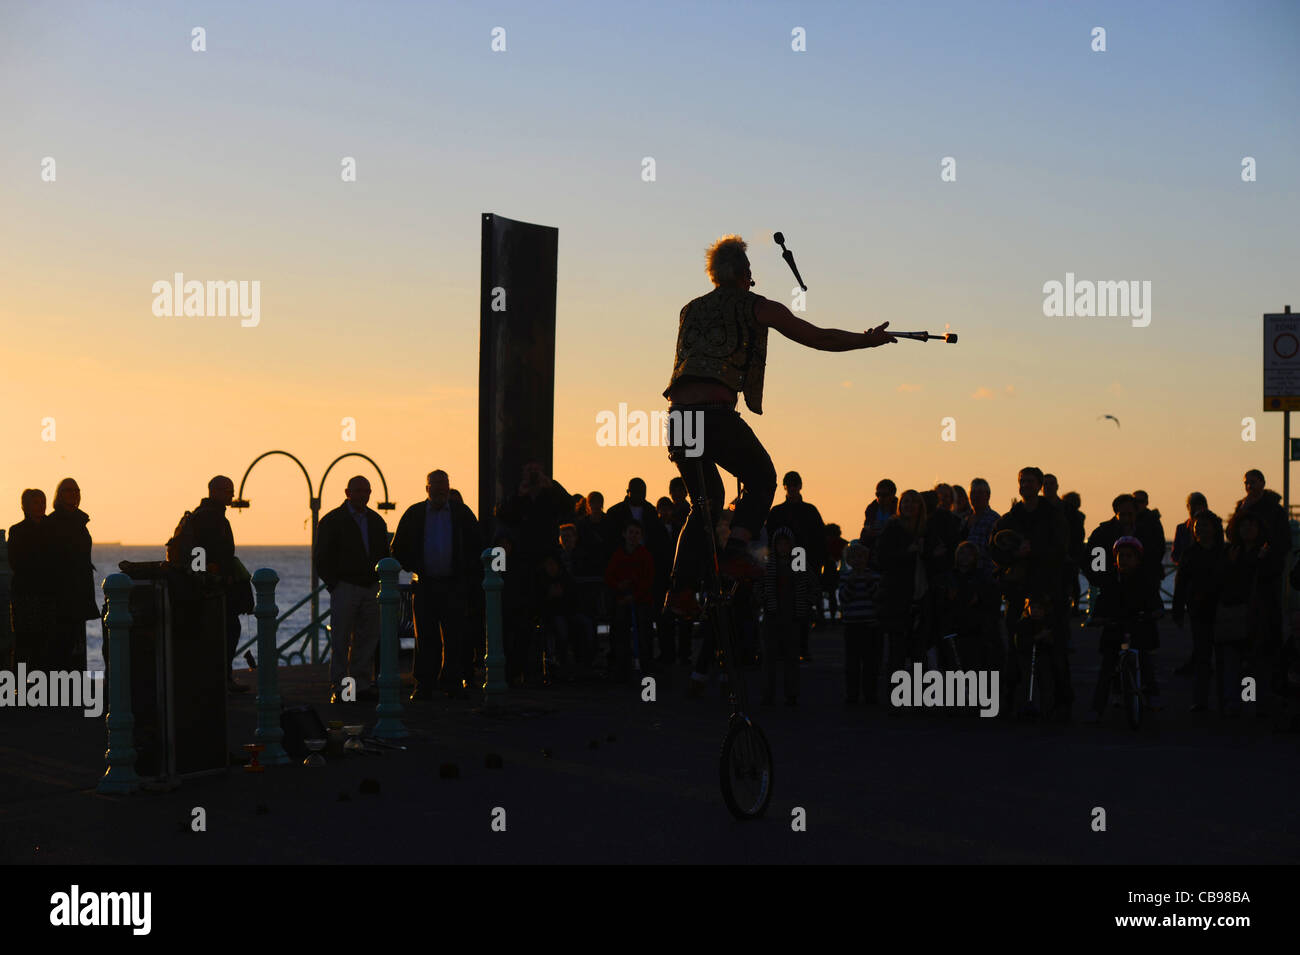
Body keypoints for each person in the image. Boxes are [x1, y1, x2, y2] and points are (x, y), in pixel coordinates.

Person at [663, 234, 896, 618]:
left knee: (704, 504)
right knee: (762, 477)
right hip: (714, 416)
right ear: (744, 274)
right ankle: (737, 553)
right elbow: (819, 338)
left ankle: (680, 592)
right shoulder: (756, 306)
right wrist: (866, 341)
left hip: (679, 419)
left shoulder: (689, 310)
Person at [392, 470, 482, 699]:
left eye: (445, 484)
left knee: (455, 636)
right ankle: (424, 685)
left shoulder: (462, 513)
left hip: (454, 585)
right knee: (425, 637)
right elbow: (397, 547)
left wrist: (466, 574)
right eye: (437, 484)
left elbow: (478, 544)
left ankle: (451, 683)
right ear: (427, 488)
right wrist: (415, 567)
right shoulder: (415, 513)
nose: (442, 489)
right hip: (425, 585)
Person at [316, 476, 390, 704]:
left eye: (365, 491)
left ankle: (361, 686)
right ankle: (341, 689)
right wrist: (334, 584)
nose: (362, 495)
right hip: (346, 586)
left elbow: (384, 553)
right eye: (357, 491)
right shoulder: (332, 521)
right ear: (348, 492)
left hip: (370, 587)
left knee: (367, 638)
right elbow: (322, 556)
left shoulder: (376, 521)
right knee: (341, 639)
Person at [1226, 469, 1290, 716]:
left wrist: (1269, 559)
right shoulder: (1242, 506)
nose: (1249, 486)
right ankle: (1246, 696)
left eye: (1253, 482)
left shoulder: (1274, 509)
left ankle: (1265, 693)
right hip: (1243, 582)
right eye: (1246, 483)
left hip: (1266, 580)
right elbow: (1232, 534)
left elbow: (1282, 542)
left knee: (1265, 639)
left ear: (1263, 483)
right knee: (1242, 642)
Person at [1085, 536, 1163, 723]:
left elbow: (1155, 603)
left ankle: (1152, 695)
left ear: (1138, 559)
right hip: (1114, 629)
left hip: (1139, 627)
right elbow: (1102, 602)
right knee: (1106, 669)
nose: (1125, 560)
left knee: (1144, 659)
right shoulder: (1111, 581)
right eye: (1121, 555)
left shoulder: (1145, 581)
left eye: (1129, 556)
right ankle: (1097, 709)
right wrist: (1096, 618)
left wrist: (1155, 612)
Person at [765, 471, 826, 658]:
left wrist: (816, 565)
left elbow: (819, 540)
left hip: (802, 562)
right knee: (782, 607)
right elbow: (769, 539)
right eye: (789, 484)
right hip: (783, 563)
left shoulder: (807, 511)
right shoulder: (778, 512)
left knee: (801, 608)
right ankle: (788, 649)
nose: (792, 488)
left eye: (794, 484)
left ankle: (801, 648)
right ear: (785, 487)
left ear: (799, 486)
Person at [876, 489, 932, 679]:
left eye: (913, 502)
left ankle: (918, 700)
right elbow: (880, 559)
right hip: (897, 598)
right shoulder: (892, 528)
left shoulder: (926, 529)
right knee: (897, 653)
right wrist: (907, 553)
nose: (908, 505)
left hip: (921, 596)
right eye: (905, 502)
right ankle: (896, 700)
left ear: (920, 506)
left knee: (919, 653)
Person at [43, 478, 98, 674]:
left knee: (76, 645)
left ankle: (73, 691)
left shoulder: (80, 521)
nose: (73, 494)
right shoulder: (53, 522)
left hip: (79, 593)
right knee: (61, 646)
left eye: (76, 490)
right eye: (68, 490)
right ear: (59, 494)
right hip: (61, 595)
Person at [1172, 511, 1225, 712]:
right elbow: (1181, 583)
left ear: (1214, 529)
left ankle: (1224, 700)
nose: (1200, 529)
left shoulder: (1224, 552)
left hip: (1221, 610)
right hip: (1199, 610)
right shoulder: (1190, 553)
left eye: (1204, 525)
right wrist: (1178, 610)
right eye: (1197, 526)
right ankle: (1201, 700)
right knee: (1202, 657)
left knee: (1222, 658)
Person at [760, 527, 807, 705]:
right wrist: (762, 599)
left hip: (792, 615)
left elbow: (809, 583)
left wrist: (806, 603)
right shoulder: (768, 564)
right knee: (769, 658)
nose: (783, 547)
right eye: (780, 544)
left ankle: (791, 693)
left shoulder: (799, 563)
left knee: (791, 657)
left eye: (786, 543)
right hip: (772, 615)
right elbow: (760, 585)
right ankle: (768, 693)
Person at [604, 520, 655, 682]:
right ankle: (622, 666)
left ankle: (645, 666)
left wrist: (635, 595)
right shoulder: (618, 555)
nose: (633, 536)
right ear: (624, 534)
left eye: (637, 533)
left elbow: (649, 580)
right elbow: (609, 577)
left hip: (640, 599)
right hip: (622, 599)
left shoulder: (645, 555)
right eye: (631, 532)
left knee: (643, 632)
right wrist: (619, 586)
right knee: (620, 631)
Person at [8, 489, 54, 669]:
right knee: (24, 642)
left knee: (45, 643)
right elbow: (16, 562)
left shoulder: (52, 529)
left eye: (43, 502)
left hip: (47, 594)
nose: (41, 506)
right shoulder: (17, 531)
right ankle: (19, 688)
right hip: (25, 594)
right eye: (36, 502)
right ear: (25, 506)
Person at [838, 540, 882, 704]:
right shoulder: (845, 577)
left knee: (871, 662)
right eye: (855, 557)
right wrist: (851, 583)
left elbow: (876, 597)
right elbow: (844, 598)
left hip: (870, 624)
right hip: (852, 625)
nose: (859, 561)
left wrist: (868, 581)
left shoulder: (875, 576)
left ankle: (870, 694)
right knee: (852, 663)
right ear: (849, 560)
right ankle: (852, 694)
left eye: (862, 557)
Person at [965, 478, 1000, 575]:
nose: (976, 496)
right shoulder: (964, 520)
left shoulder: (994, 520)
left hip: (986, 574)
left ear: (988, 496)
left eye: (980, 493)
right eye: (973, 493)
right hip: (965, 574)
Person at [822, 523, 847, 623]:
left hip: (828, 572)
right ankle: (836, 615)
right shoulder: (842, 544)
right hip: (837, 573)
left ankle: (824, 615)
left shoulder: (824, 544)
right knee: (834, 595)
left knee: (828, 594)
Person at [860, 479, 898, 544]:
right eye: (878, 494)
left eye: (884, 495)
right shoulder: (871, 509)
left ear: (892, 495)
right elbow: (866, 530)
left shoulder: (900, 508)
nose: (880, 498)